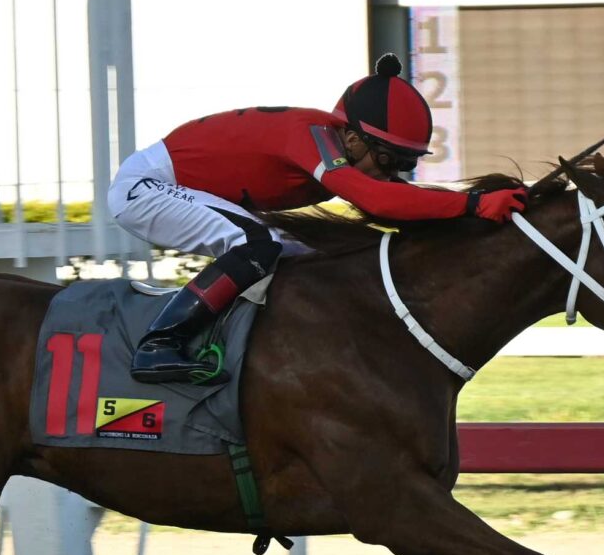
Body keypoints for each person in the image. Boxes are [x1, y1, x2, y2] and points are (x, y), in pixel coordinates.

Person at [105, 56, 528, 383]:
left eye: (404, 163)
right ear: (351, 136)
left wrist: (477, 217)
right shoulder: (314, 138)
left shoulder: (340, 146)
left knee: (317, 258)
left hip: (188, 189)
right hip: (145, 186)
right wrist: (472, 205)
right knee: (257, 245)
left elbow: (396, 201)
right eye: (387, 158)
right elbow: (377, 199)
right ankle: (159, 344)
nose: (390, 172)